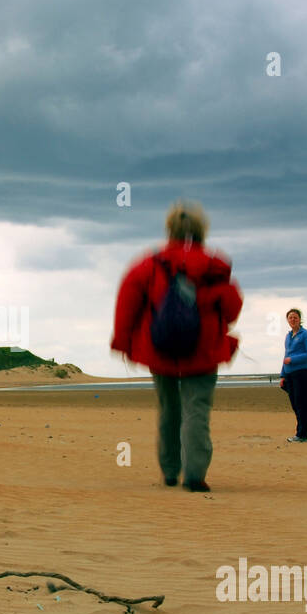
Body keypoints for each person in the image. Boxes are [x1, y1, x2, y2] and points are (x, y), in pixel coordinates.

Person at [111, 200, 243, 491]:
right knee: (197, 411)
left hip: (160, 348)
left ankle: (170, 472)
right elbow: (232, 309)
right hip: (204, 350)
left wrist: (123, 342)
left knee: (168, 410)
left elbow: (127, 301)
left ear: (169, 229)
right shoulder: (213, 265)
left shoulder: (149, 263)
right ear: (200, 231)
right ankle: (194, 477)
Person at [280, 308, 307, 442]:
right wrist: (282, 375)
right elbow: (285, 356)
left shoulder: (306, 335)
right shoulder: (288, 336)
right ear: (287, 320)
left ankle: (302, 434)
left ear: (300, 319)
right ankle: (300, 432)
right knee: (295, 404)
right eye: (290, 318)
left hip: (302, 373)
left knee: (302, 404)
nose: (293, 320)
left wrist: (293, 360)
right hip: (289, 374)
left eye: (295, 317)